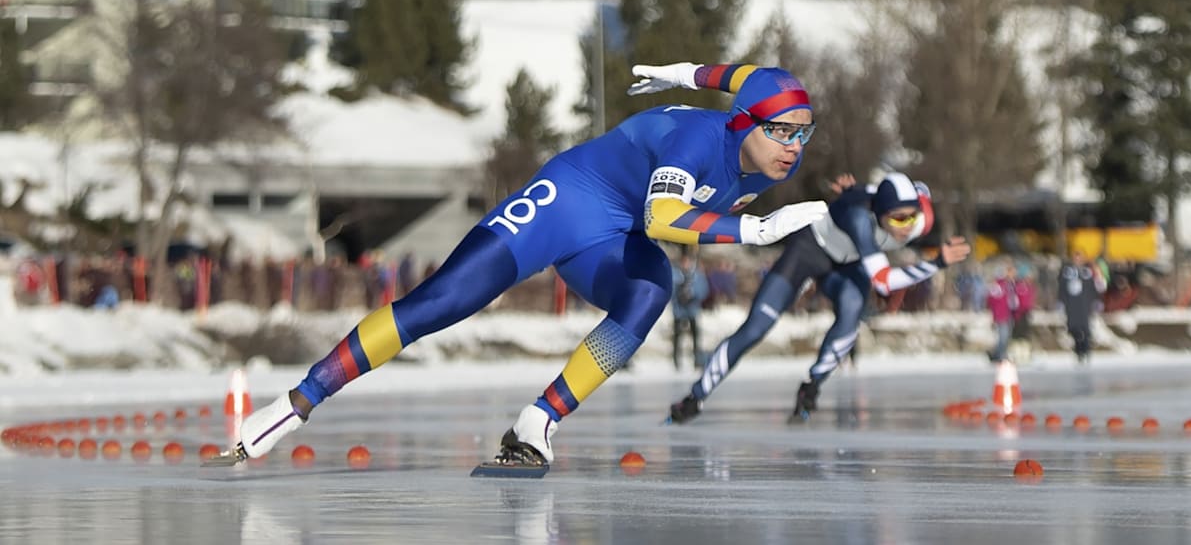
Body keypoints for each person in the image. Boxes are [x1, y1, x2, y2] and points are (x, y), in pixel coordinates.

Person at [231, 63, 829, 468]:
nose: (792, 147)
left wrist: (685, 72)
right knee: (438, 304)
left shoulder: (772, 148)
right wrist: (755, 229)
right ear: (742, 121)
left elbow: (740, 76)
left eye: (803, 134)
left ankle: (538, 421)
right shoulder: (693, 141)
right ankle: (297, 402)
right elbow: (662, 217)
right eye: (780, 131)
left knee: (651, 291)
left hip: (610, 236)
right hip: (567, 201)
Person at [666, 171, 971, 423]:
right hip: (810, 250)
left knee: (852, 312)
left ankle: (811, 387)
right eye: (898, 219)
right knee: (756, 327)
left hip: (848, 264)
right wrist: (937, 263)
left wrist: (853, 189)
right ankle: (695, 397)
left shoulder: (921, 219)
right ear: (878, 213)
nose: (906, 227)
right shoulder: (859, 219)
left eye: (912, 218)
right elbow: (884, 281)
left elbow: (892, 194)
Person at [1058, 250, 1106, 363]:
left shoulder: (1087, 271)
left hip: (1084, 304)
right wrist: (1061, 301)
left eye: (1080, 258)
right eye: (1076, 258)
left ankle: (1085, 350)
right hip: (1072, 304)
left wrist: (1096, 301)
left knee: (1085, 328)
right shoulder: (1067, 271)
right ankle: (1078, 349)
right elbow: (1062, 287)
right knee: (1074, 328)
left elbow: (1093, 287)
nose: (1077, 260)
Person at [670, 249, 709, 370]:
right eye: (683, 262)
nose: (685, 264)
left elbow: (704, 290)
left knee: (695, 336)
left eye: (687, 262)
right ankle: (676, 361)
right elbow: (670, 290)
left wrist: (693, 295)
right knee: (677, 336)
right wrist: (678, 294)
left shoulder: (697, 275)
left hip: (692, 309)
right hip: (679, 310)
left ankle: (697, 360)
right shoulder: (675, 275)